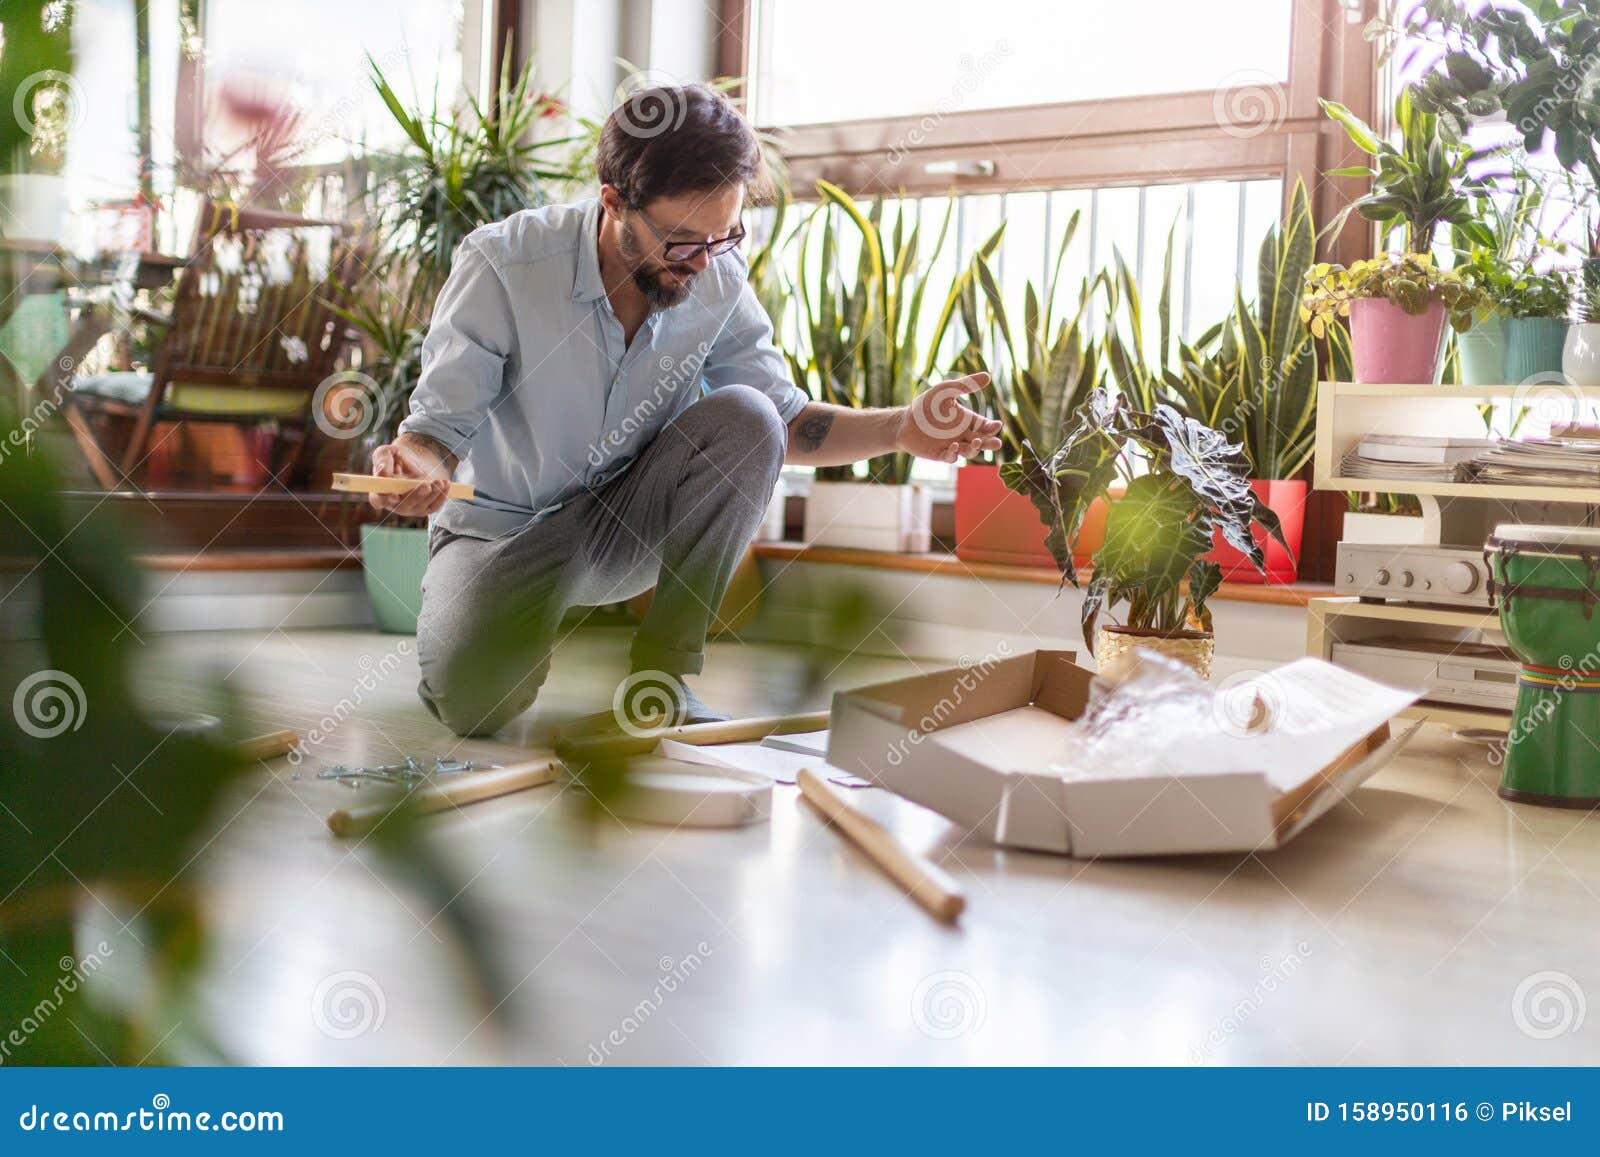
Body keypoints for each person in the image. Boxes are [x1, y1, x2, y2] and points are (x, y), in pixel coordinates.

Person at [368, 82, 998, 738]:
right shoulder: (503, 263)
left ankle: (659, 680)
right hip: (499, 541)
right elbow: (437, 432)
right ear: (613, 202)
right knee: (476, 708)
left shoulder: (715, 273)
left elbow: (781, 423)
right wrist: (411, 463)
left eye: (721, 237)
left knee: (747, 415)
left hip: (620, 528)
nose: (701, 261)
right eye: (680, 240)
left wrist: (900, 427)